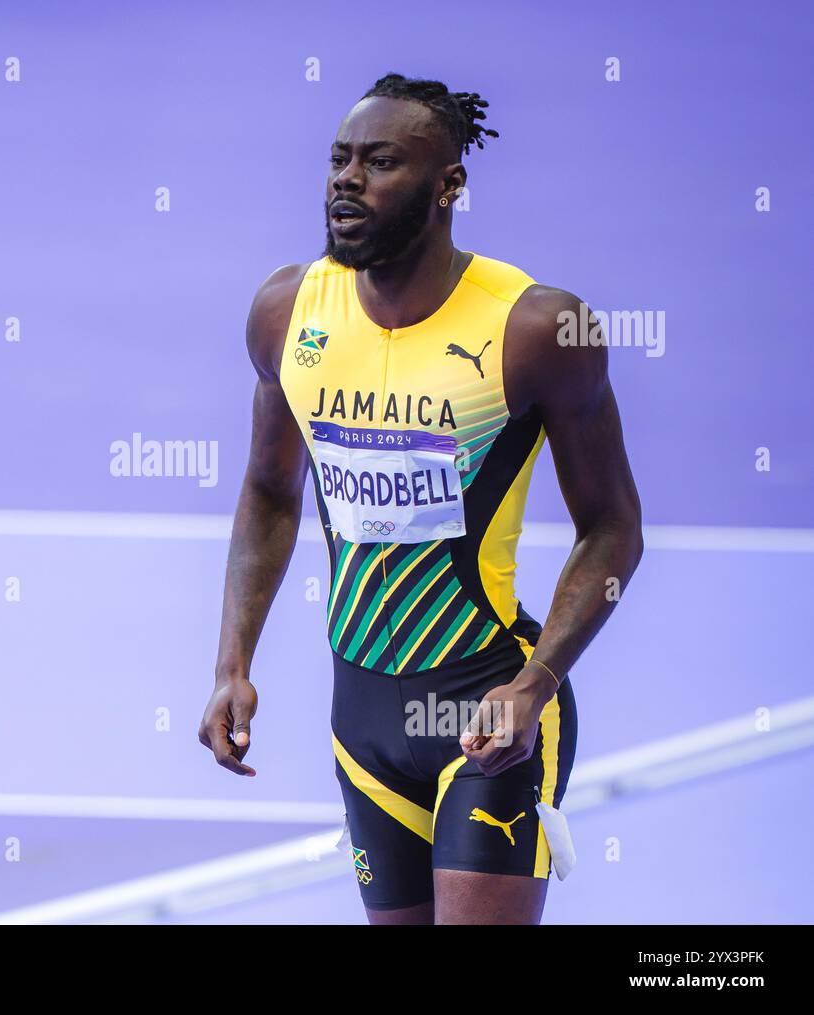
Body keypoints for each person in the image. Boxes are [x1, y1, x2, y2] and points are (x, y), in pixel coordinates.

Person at [198, 73, 643, 924]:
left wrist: (536, 684)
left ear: (449, 185)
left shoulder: (536, 328)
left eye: (380, 161)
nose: (346, 179)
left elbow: (615, 528)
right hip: (360, 718)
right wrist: (232, 665)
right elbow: (266, 492)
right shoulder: (288, 312)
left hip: (490, 708)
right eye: (339, 159)